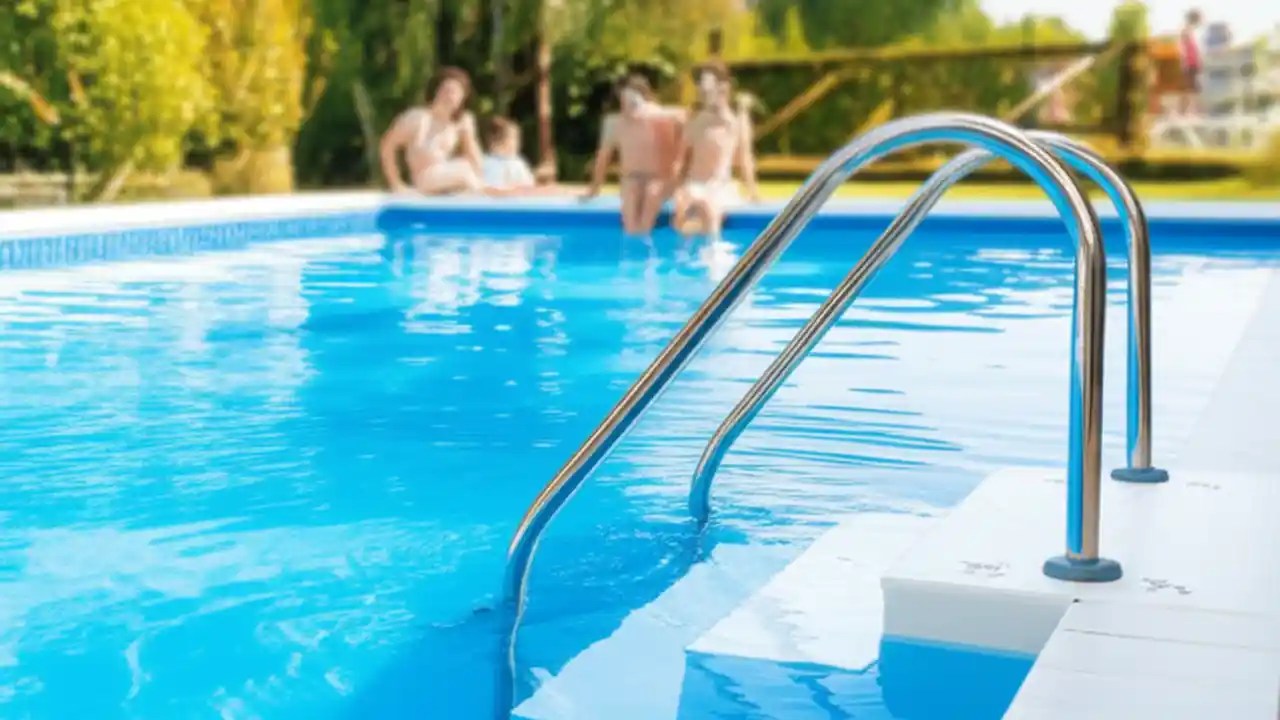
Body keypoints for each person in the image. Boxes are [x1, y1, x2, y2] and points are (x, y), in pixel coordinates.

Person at [582, 74, 686, 235]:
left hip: (658, 179)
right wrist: (594, 189)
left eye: (633, 102)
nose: (628, 108)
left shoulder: (661, 117)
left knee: (648, 208)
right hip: (631, 178)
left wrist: (652, 112)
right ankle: (635, 247)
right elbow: (603, 158)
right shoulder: (614, 123)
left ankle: (644, 242)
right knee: (630, 223)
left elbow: (687, 118)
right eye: (624, 102)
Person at [672, 62, 760, 237]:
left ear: (723, 87)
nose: (704, 92)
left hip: (721, 186)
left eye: (708, 87)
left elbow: (745, 158)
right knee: (686, 213)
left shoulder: (736, 122)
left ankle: (715, 254)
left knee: (710, 209)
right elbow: (680, 160)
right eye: (701, 88)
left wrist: (752, 191)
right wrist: (676, 189)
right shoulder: (695, 121)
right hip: (695, 184)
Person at [380, 67, 485, 195]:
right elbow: (387, 146)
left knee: (468, 169)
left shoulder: (460, 123)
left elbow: (474, 157)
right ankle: (490, 191)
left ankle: (492, 193)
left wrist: (468, 132)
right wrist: (396, 184)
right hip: (425, 179)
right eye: (446, 91)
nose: (450, 96)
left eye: (456, 92)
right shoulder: (417, 118)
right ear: (436, 92)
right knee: (463, 169)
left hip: (449, 183)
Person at [481, 117, 570, 197]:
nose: (517, 143)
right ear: (497, 140)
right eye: (513, 138)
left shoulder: (517, 162)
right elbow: (493, 190)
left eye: (517, 138)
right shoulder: (488, 163)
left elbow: (529, 185)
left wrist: (540, 179)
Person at [1180, 9, 1204, 116]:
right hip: (1189, 64)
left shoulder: (1190, 31)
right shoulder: (1186, 30)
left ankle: (1189, 111)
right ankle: (1186, 112)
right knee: (1189, 89)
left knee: (1192, 89)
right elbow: (1184, 47)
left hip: (1192, 64)